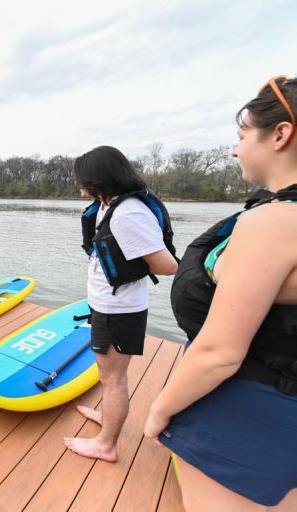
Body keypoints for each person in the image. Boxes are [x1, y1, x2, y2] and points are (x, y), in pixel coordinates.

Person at [145, 76, 297, 511]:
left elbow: (219, 353)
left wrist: (159, 410)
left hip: (249, 415)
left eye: (242, 135)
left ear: (281, 134)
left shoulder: (272, 224)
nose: (234, 149)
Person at [65, 145, 178, 462]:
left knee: (113, 378)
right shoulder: (108, 205)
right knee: (108, 375)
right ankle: (109, 419)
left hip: (120, 310)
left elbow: (168, 265)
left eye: (82, 179)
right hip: (109, 305)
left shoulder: (129, 214)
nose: (79, 185)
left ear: (99, 178)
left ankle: (106, 445)